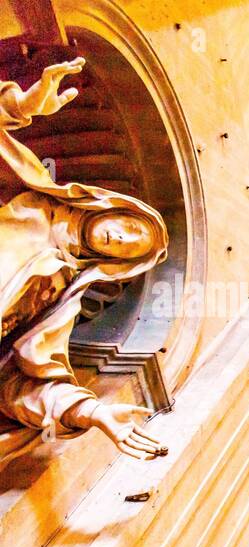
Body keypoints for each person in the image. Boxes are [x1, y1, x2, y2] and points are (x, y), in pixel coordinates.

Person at [1, 59, 169, 468]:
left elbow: (34, 382)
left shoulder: (57, 294)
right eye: (131, 227)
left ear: (114, 263)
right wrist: (19, 107)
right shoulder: (32, 191)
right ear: (112, 207)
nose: (124, 238)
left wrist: (94, 413)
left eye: (130, 248)